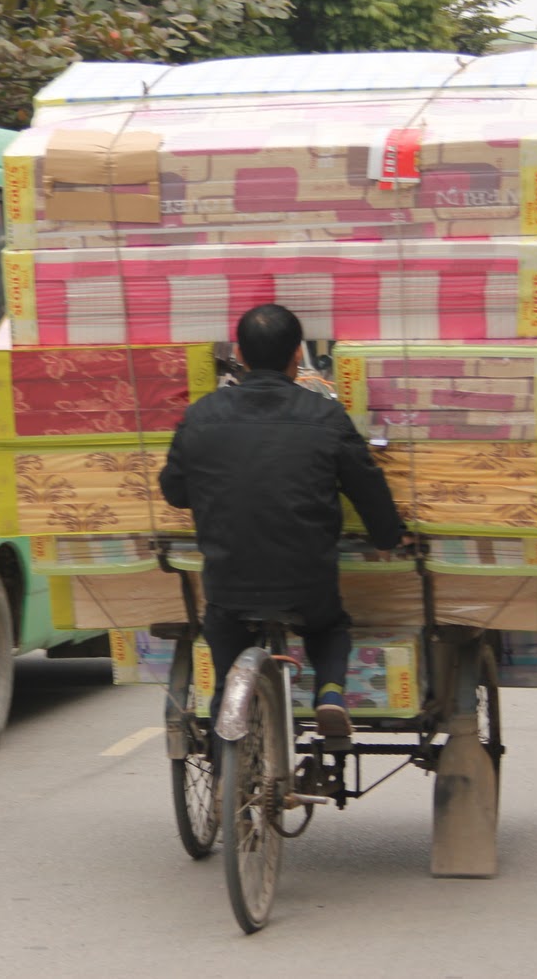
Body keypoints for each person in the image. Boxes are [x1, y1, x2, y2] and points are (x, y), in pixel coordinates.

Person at [159, 304, 406, 739]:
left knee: (224, 644)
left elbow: (175, 492)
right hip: (306, 582)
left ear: (239, 353)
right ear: (297, 355)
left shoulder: (199, 416)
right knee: (329, 627)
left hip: (229, 583)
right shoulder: (326, 416)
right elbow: (367, 487)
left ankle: (224, 761)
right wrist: (389, 536)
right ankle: (329, 693)